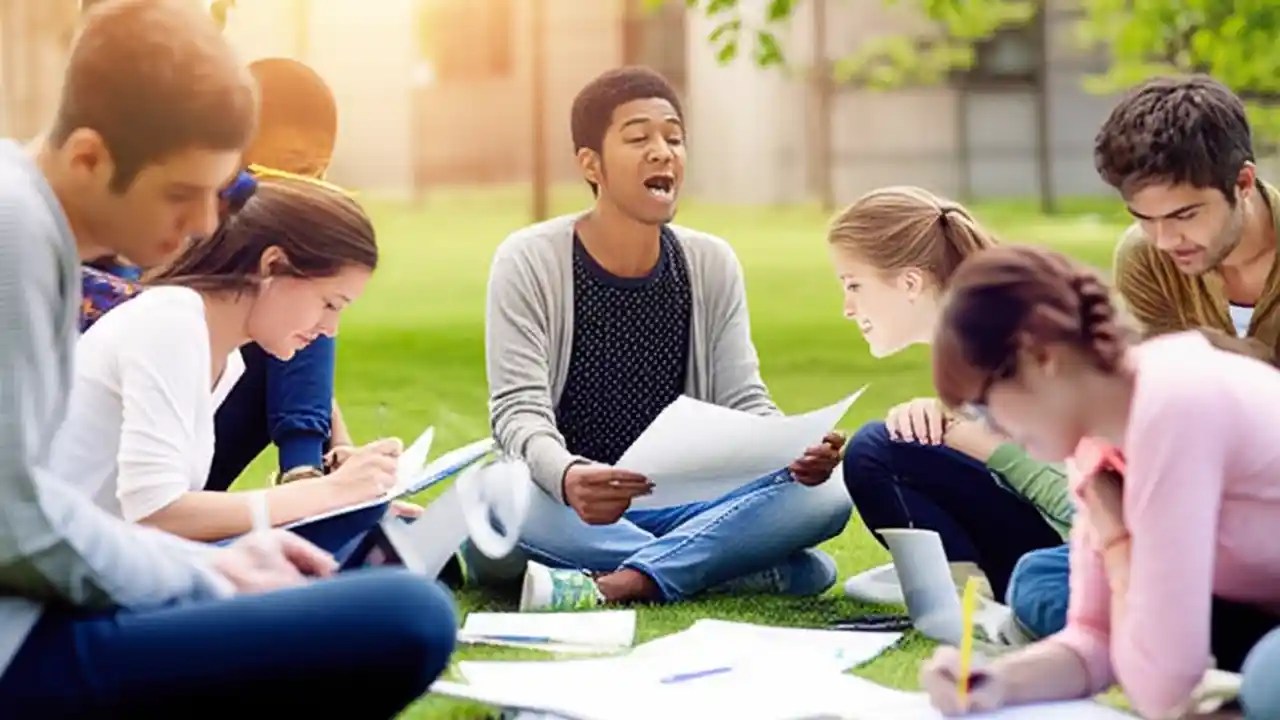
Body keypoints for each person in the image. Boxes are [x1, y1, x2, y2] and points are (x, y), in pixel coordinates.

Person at [0, 2, 454, 716]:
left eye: (219, 195)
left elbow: (33, 498)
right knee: (409, 617)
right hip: (21, 640)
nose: (208, 226)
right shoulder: (16, 230)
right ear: (88, 156)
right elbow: (16, 522)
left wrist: (210, 564)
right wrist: (207, 575)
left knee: (371, 599)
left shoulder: (37, 233)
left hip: (49, 605)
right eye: (183, 194)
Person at [476, 66, 851, 611]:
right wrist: (568, 475)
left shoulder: (709, 262)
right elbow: (517, 412)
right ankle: (722, 565)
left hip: (688, 503)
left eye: (673, 138)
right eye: (638, 138)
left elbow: (744, 400)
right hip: (568, 509)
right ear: (591, 164)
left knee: (827, 498)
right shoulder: (529, 259)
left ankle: (627, 582)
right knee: (493, 499)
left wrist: (792, 450)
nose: (662, 152)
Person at [920, 245, 1280, 720]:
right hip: (1254, 602)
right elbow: (1094, 636)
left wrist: (1116, 539)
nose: (989, 431)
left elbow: (1163, 688)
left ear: (1041, 357)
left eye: (982, 407)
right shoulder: (1093, 439)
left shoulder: (1171, 405)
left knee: (1267, 679)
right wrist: (998, 682)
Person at [1000, 72, 1280, 644]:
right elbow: (1149, 405)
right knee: (1037, 580)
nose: (1164, 240)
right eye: (1142, 218)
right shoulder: (1146, 259)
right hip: (1189, 513)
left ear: (1243, 183)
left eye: (1183, 216)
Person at [53, 175, 414, 563]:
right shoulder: (170, 322)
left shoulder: (225, 359)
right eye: (330, 303)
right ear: (273, 264)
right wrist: (329, 493)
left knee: (370, 539)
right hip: (68, 591)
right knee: (408, 602)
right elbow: (155, 514)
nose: (331, 328)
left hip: (123, 570)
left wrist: (350, 500)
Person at [79, 55, 356, 491]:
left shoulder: (260, 257)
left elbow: (295, 343)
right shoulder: (163, 225)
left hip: (185, 452)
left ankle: (311, 471)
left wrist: (341, 451)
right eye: (291, 168)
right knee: (290, 292)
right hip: (119, 455)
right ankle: (305, 477)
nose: (300, 190)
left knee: (295, 304)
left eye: (317, 176)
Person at [827, 187, 1070, 611]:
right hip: (1050, 547)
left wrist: (970, 438)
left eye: (854, 285)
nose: (847, 308)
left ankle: (970, 600)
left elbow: (1079, 506)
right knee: (882, 446)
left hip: (1090, 551)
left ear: (909, 282)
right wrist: (943, 421)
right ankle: (960, 592)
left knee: (876, 447)